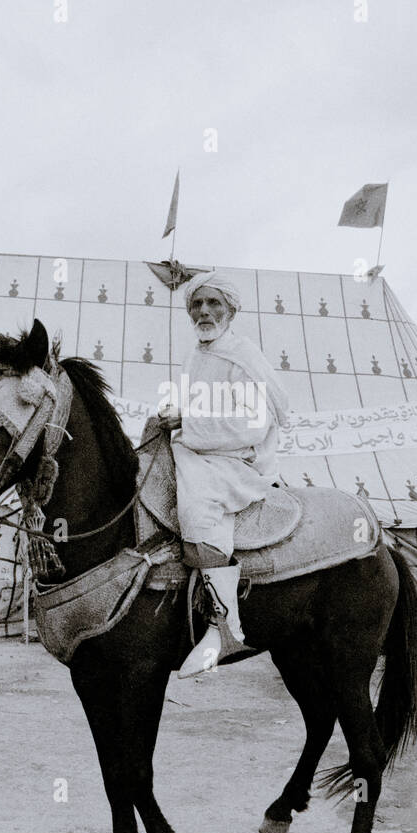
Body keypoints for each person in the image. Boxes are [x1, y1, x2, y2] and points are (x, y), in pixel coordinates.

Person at [160, 272, 289, 678]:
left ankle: (224, 627)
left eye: (214, 303)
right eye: (197, 304)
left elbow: (252, 425)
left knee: (196, 511)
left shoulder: (243, 356)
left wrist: (187, 421)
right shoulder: (196, 355)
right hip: (200, 447)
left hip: (239, 458)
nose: (204, 311)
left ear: (231, 310)